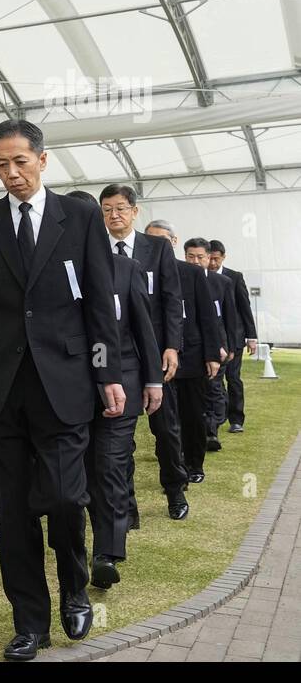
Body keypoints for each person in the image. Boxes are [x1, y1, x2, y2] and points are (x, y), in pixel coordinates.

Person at [0, 119, 122, 662]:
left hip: (65, 384)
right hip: (0, 389)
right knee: (15, 512)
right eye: (1, 164)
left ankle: (73, 585)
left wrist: (108, 371)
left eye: (21, 161)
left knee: (68, 497)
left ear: (43, 160)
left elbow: (98, 298)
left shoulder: (82, 215)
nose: (12, 173)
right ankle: (30, 622)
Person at [65, 191, 162, 591]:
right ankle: (71, 544)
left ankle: (107, 552)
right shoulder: (55, 271)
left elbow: (144, 329)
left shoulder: (125, 268)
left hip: (121, 385)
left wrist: (153, 379)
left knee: (109, 467)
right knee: (78, 474)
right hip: (69, 389)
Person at [98, 184, 187, 523]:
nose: (113, 215)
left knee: (164, 428)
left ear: (135, 211)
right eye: (106, 209)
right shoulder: (96, 251)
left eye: (120, 208)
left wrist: (171, 347)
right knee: (120, 437)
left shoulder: (158, 248)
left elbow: (171, 301)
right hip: (117, 356)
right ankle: (128, 505)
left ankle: (175, 490)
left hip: (155, 355)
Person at [145, 222, 222, 486]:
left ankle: (194, 462)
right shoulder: (139, 271)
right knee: (163, 420)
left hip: (191, 355)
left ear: (174, 242)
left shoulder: (191, 272)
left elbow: (208, 316)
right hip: (155, 357)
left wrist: (212, 354)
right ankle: (172, 465)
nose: (156, 245)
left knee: (192, 413)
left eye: (162, 240)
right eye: (150, 239)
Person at [183, 238, 236, 455]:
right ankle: (196, 431)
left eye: (200, 257)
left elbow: (230, 317)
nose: (196, 261)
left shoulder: (221, 282)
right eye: (191, 257)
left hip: (217, 345)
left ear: (209, 257)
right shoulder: (178, 279)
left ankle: (212, 430)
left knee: (214, 388)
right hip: (191, 347)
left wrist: (229, 346)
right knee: (196, 393)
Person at [207, 241, 257, 434]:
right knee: (215, 380)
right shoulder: (201, 276)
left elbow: (244, 307)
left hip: (234, 339)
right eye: (209, 258)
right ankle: (220, 415)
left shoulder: (234, 277)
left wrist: (251, 336)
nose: (212, 263)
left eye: (216, 259)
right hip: (214, 339)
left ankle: (236, 419)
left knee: (233, 378)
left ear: (223, 257)